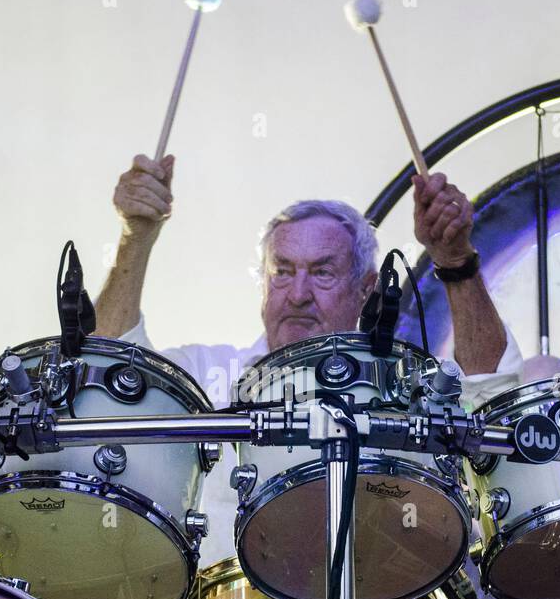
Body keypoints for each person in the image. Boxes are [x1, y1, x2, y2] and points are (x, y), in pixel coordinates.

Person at [94, 152, 523, 568]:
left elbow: (491, 393)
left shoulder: (404, 387)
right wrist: (137, 236)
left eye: (322, 273)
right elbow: (104, 375)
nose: (298, 295)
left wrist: (454, 262)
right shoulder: (209, 375)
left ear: (366, 288)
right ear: (262, 281)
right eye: (282, 271)